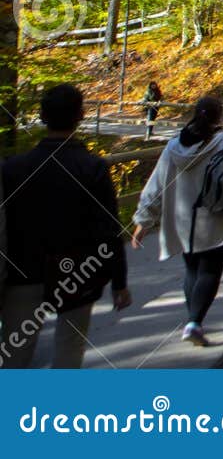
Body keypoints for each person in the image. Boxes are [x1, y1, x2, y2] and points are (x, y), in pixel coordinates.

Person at [0, 84, 132, 368]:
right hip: (77, 271)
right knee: (69, 351)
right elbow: (109, 227)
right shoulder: (91, 167)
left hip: (22, 272)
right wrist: (119, 282)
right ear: (80, 115)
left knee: (14, 354)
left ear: (43, 116)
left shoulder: (12, 168)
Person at [131, 96, 223, 347]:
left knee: (192, 269)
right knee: (210, 269)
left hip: (183, 219)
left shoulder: (173, 147)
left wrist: (142, 222)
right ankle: (194, 322)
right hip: (218, 215)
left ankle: (193, 320)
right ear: (219, 116)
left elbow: (156, 185)